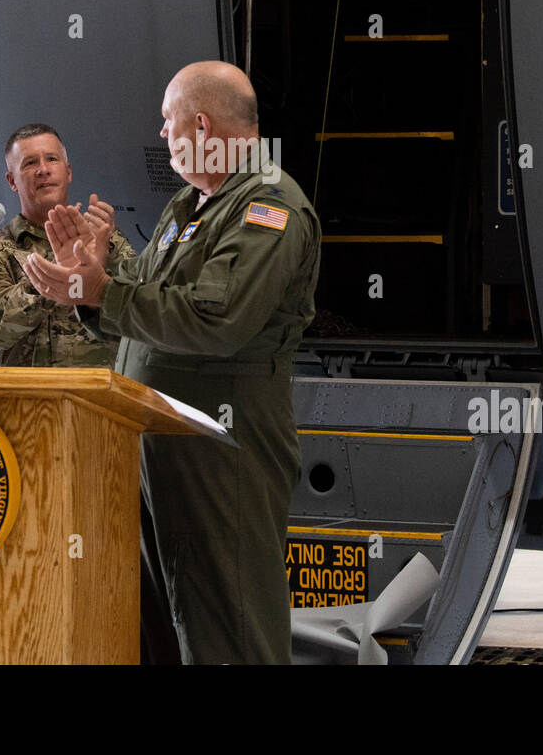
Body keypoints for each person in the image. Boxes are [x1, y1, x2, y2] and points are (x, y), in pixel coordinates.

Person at [23, 62, 321, 664]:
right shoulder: (190, 205)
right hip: (161, 448)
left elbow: (216, 319)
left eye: (168, 120)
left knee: (228, 627)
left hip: (220, 453)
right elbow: (152, 306)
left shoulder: (267, 206)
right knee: (167, 630)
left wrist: (102, 292)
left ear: (202, 124)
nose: (162, 134)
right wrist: (93, 276)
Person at [0, 123, 133, 367]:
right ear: (12, 180)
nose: (43, 170)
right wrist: (55, 273)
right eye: (30, 163)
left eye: (51, 159)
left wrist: (103, 263)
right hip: (30, 399)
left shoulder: (108, 239)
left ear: (68, 172)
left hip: (101, 394)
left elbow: (139, 315)